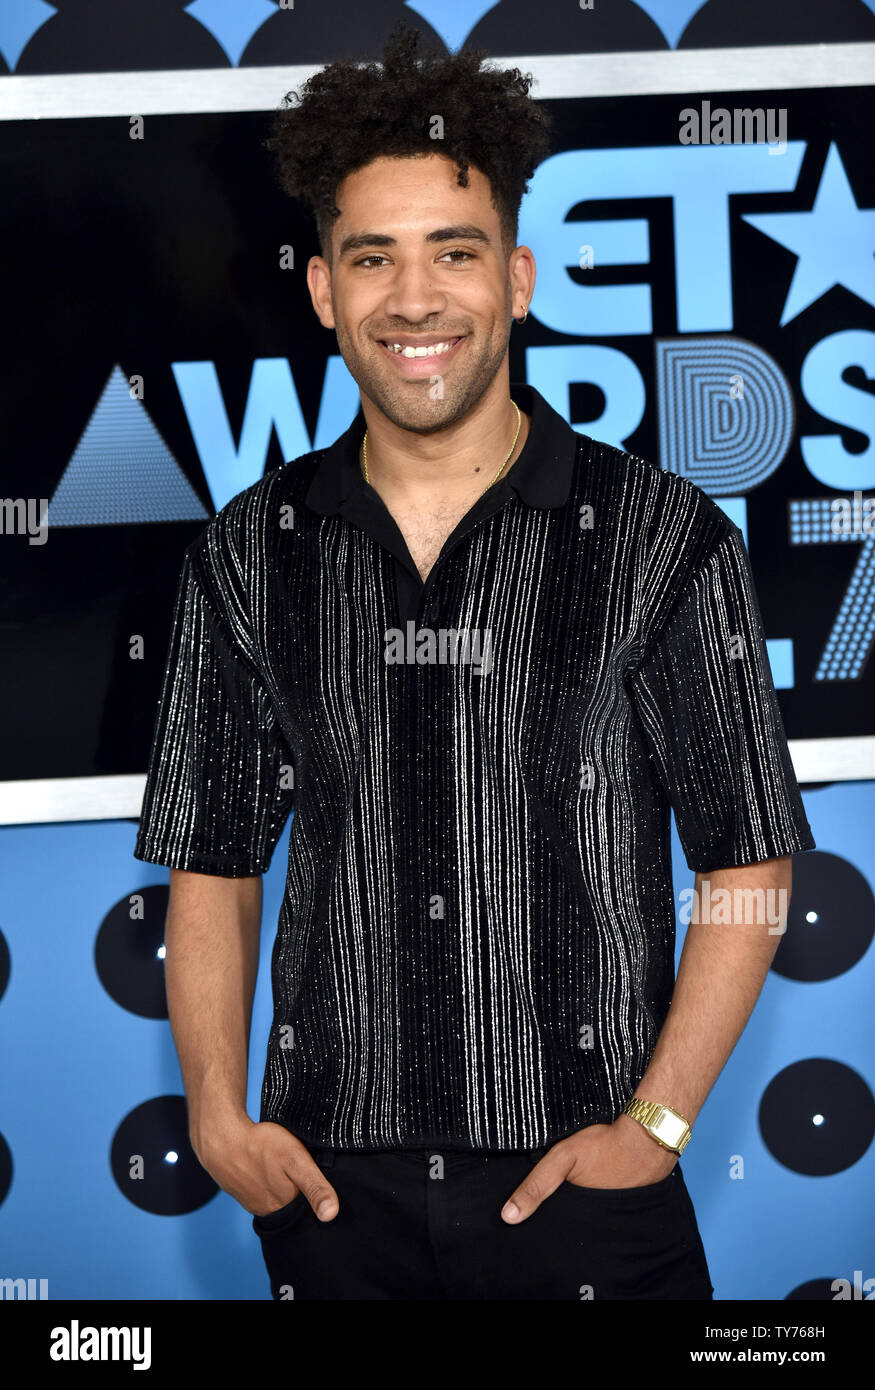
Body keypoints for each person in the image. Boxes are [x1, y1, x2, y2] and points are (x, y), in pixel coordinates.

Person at [133, 23, 815, 1300]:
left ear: (515, 277)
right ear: (324, 290)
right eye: (370, 257)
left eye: (451, 253)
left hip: (587, 1186)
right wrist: (219, 1117)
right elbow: (212, 865)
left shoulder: (661, 535)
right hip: (332, 1194)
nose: (413, 299)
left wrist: (656, 1129)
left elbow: (748, 857)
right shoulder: (247, 553)